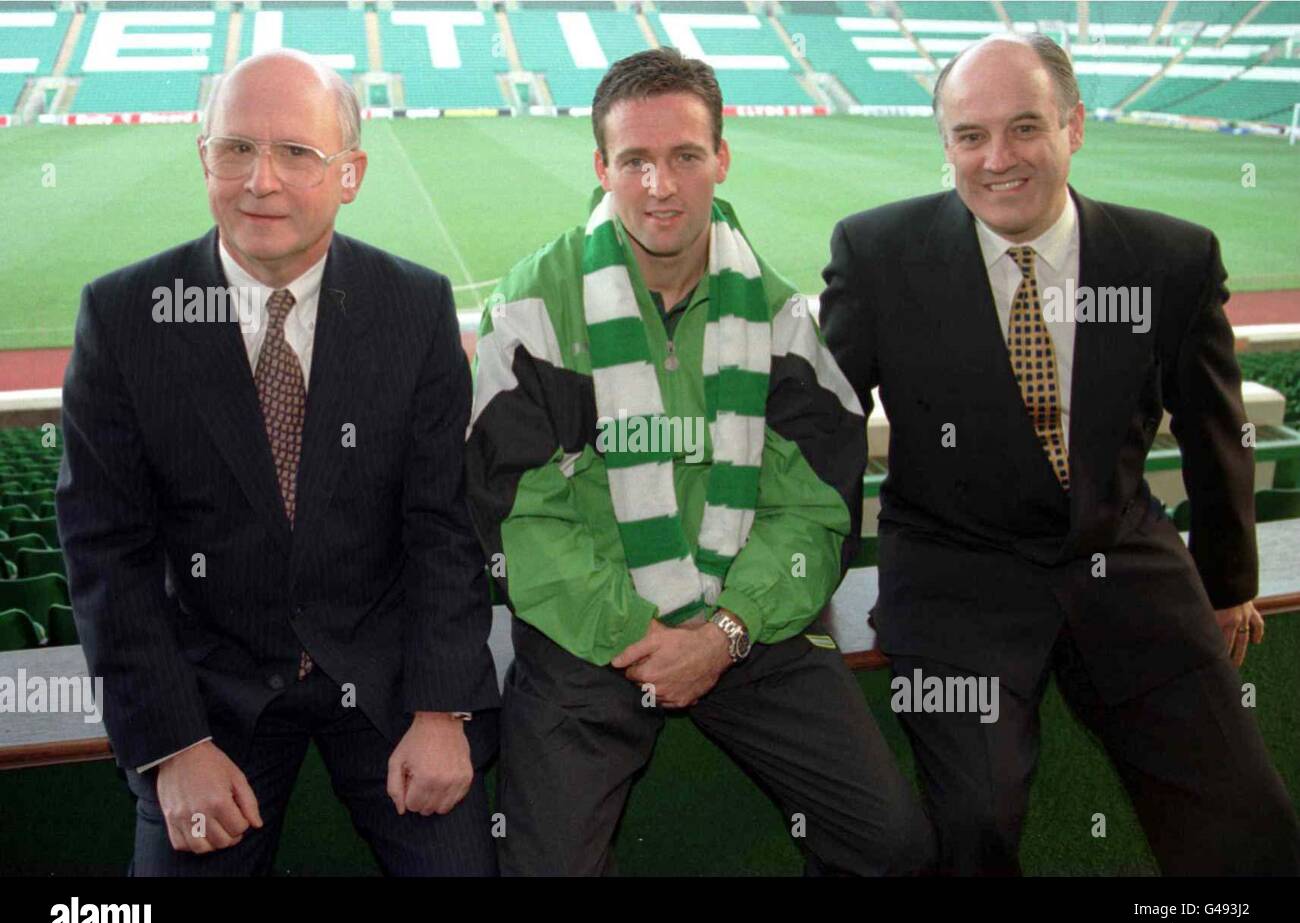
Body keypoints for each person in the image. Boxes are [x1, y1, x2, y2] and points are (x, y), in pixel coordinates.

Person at [821, 33, 1300, 875]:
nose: (997, 159)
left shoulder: (1172, 259)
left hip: (1127, 563)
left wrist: (1229, 586)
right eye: (970, 137)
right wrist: (802, 594)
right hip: (957, 584)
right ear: (947, 146)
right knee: (975, 822)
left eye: (1024, 128)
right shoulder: (877, 254)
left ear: (1074, 126)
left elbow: (1216, 432)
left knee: (1249, 823)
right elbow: (825, 435)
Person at [464, 48, 933, 876]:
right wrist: (637, 632)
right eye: (635, 160)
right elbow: (518, 516)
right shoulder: (534, 304)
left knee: (891, 841)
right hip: (590, 633)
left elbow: (816, 508)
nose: (661, 185)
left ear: (721, 156)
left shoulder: (781, 315)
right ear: (601, 166)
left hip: (747, 624)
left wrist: (724, 630)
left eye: (685, 155)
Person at [56, 49, 499, 875]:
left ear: (351, 172)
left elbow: (443, 527)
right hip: (209, 698)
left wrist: (444, 708)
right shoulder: (121, 316)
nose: (261, 180)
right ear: (203, 159)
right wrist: (171, 744)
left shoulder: (416, 307)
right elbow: (106, 554)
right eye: (236, 149)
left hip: (386, 686)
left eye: (297, 152)